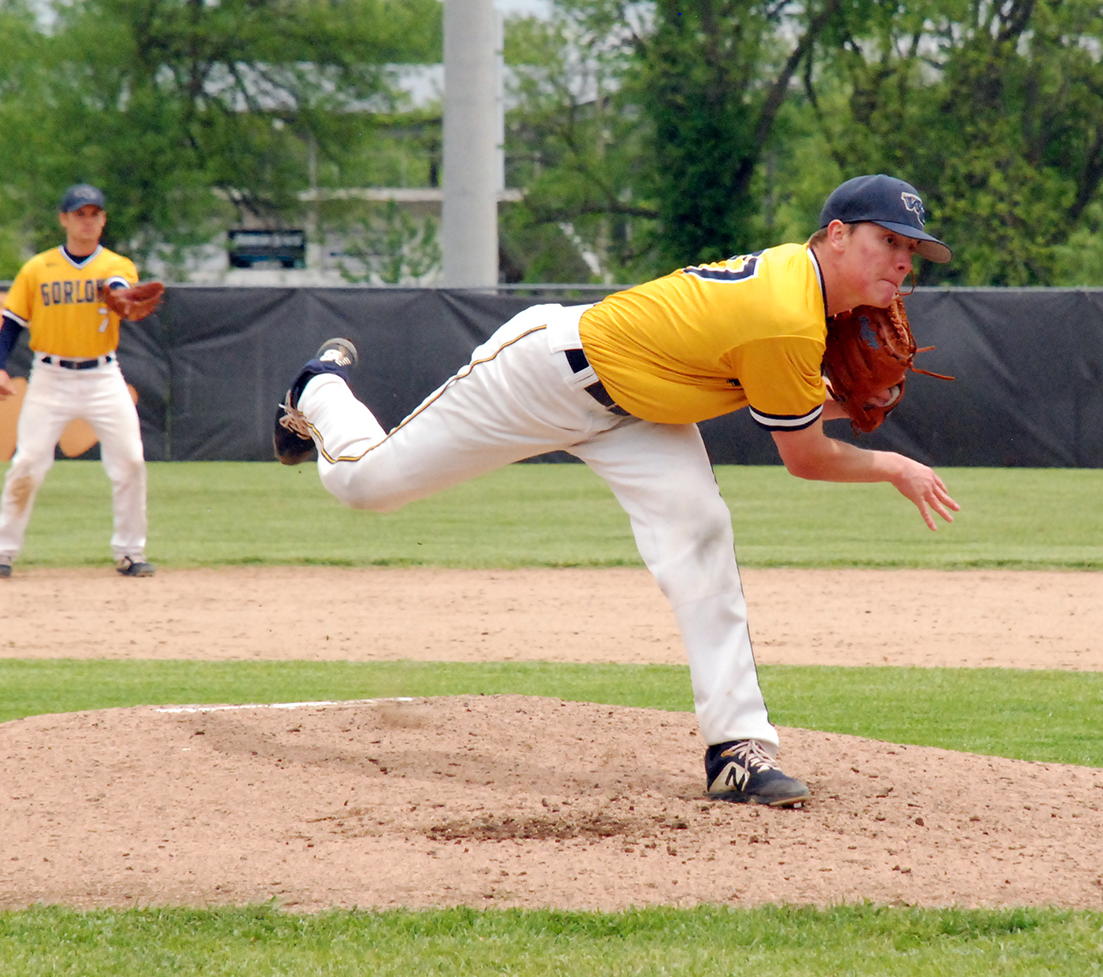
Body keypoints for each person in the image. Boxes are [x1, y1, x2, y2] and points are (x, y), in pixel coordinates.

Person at [272, 174, 961, 806]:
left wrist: (841, 401)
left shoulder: (802, 293)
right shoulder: (787, 312)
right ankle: (319, 390)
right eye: (888, 241)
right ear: (837, 235)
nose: (903, 261)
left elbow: (771, 391)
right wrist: (895, 466)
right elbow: (804, 456)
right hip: (544, 375)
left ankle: (737, 749)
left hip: (641, 414)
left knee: (700, 532)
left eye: (912, 250)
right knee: (368, 484)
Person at [0, 184, 155, 580]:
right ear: (64, 219)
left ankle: (130, 552)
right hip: (50, 376)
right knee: (28, 462)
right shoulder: (38, 268)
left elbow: (118, 284)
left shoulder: (115, 264)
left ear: (103, 220)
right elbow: (12, 321)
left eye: (94, 214)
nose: (87, 221)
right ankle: (1, 553)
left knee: (130, 460)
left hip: (103, 376)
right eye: (80, 214)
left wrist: (119, 294)